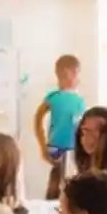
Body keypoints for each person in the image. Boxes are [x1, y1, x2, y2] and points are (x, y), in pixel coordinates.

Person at [35, 55, 87, 199]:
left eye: (75, 73)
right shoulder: (53, 97)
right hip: (56, 146)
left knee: (75, 183)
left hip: (75, 148)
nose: (71, 78)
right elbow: (38, 118)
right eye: (66, 74)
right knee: (56, 181)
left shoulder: (80, 101)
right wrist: (42, 144)